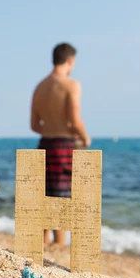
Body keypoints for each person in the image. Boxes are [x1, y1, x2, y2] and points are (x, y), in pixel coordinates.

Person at [30, 42, 91, 245]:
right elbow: (74, 120)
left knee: (44, 194)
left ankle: (43, 242)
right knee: (62, 196)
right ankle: (59, 244)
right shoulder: (71, 85)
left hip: (44, 144)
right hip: (64, 145)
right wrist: (85, 137)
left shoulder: (39, 86)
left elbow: (34, 124)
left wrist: (50, 129)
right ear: (70, 61)